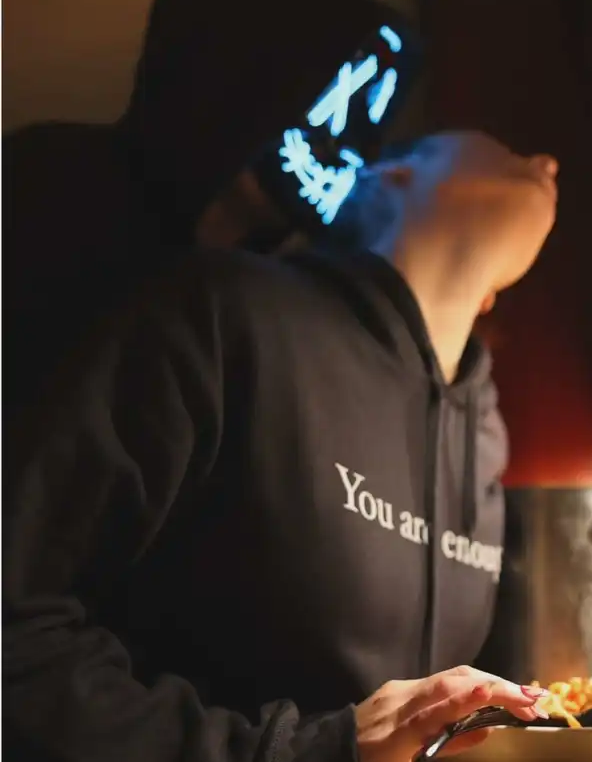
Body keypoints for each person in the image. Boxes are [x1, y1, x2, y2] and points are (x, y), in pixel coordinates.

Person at [3, 130, 558, 761]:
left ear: (490, 297)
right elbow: (19, 627)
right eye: (504, 152)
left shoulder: (488, 436)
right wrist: (305, 752)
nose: (546, 161)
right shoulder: (221, 316)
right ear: (389, 176)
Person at [3, 0, 418, 425]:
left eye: (368, 103)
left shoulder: (290, 303)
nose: (347, 140)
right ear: (233, 77)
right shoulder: (42, 186)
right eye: (328, 92)